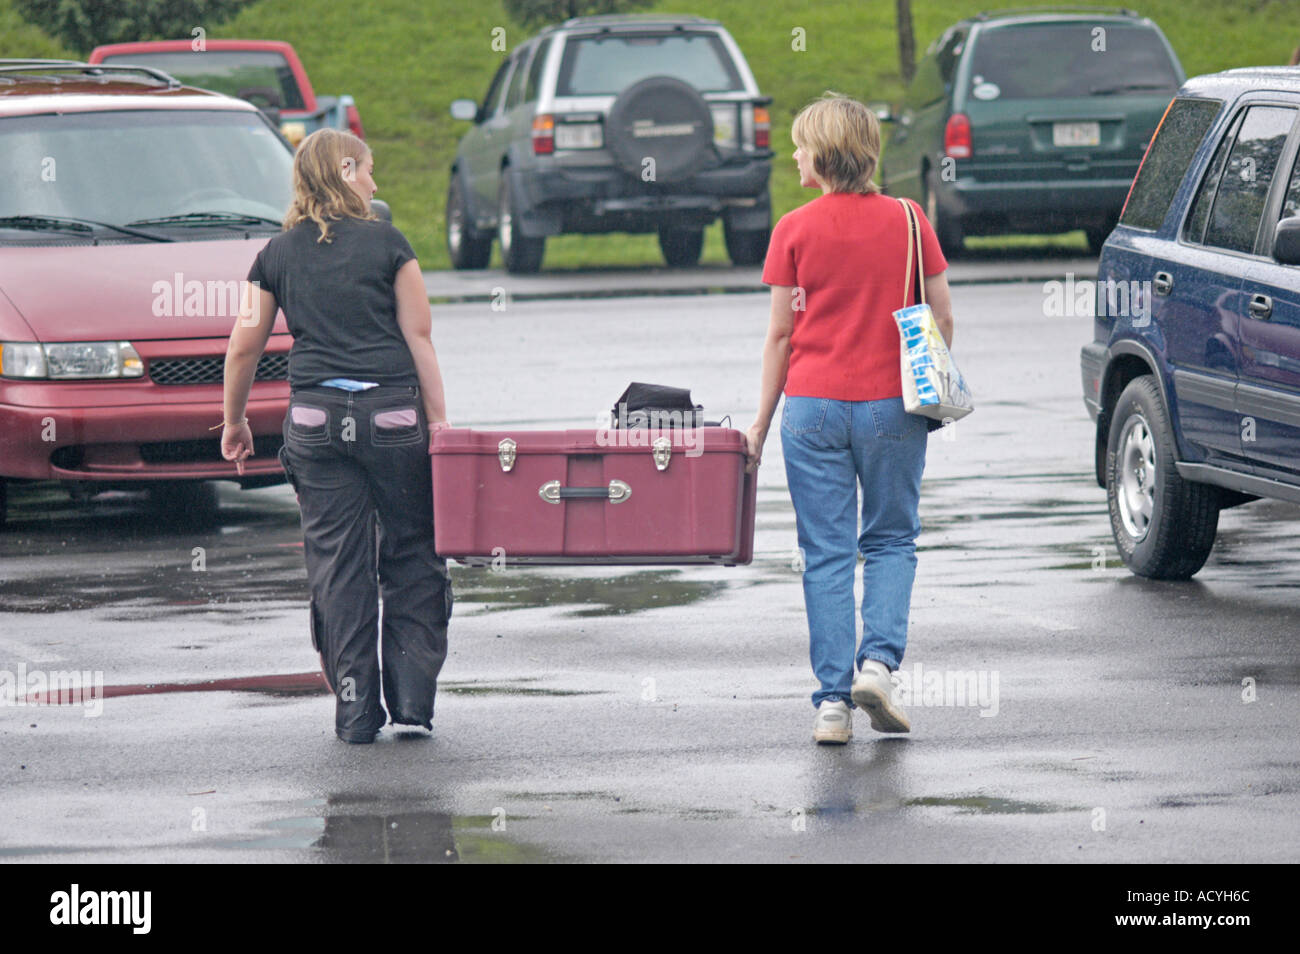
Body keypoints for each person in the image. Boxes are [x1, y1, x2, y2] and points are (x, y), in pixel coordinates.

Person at [220, 128, 453, 744]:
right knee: (412, 551)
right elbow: (419, 338)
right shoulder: (390, 244)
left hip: (315, 424)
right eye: (370, 171)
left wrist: (235, 420)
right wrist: (439, 424)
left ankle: (355, 714)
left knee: (339, 568)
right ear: (347, 171)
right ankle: (411, 701)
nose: (376, 183)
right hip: (394, 421)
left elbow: (244, 346)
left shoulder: (275, 255)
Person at [744, 93, 955, 743]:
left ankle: (831, 706)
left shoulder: (794, 230)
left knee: (825, 555)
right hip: (892, 405)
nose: (794, 153)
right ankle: (878, 666)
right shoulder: (911, 220)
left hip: (811, 410)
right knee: (891, 539)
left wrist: (758, 423)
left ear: (827, 154)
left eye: (802, 143)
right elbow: (942, 316)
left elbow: (781, 336)